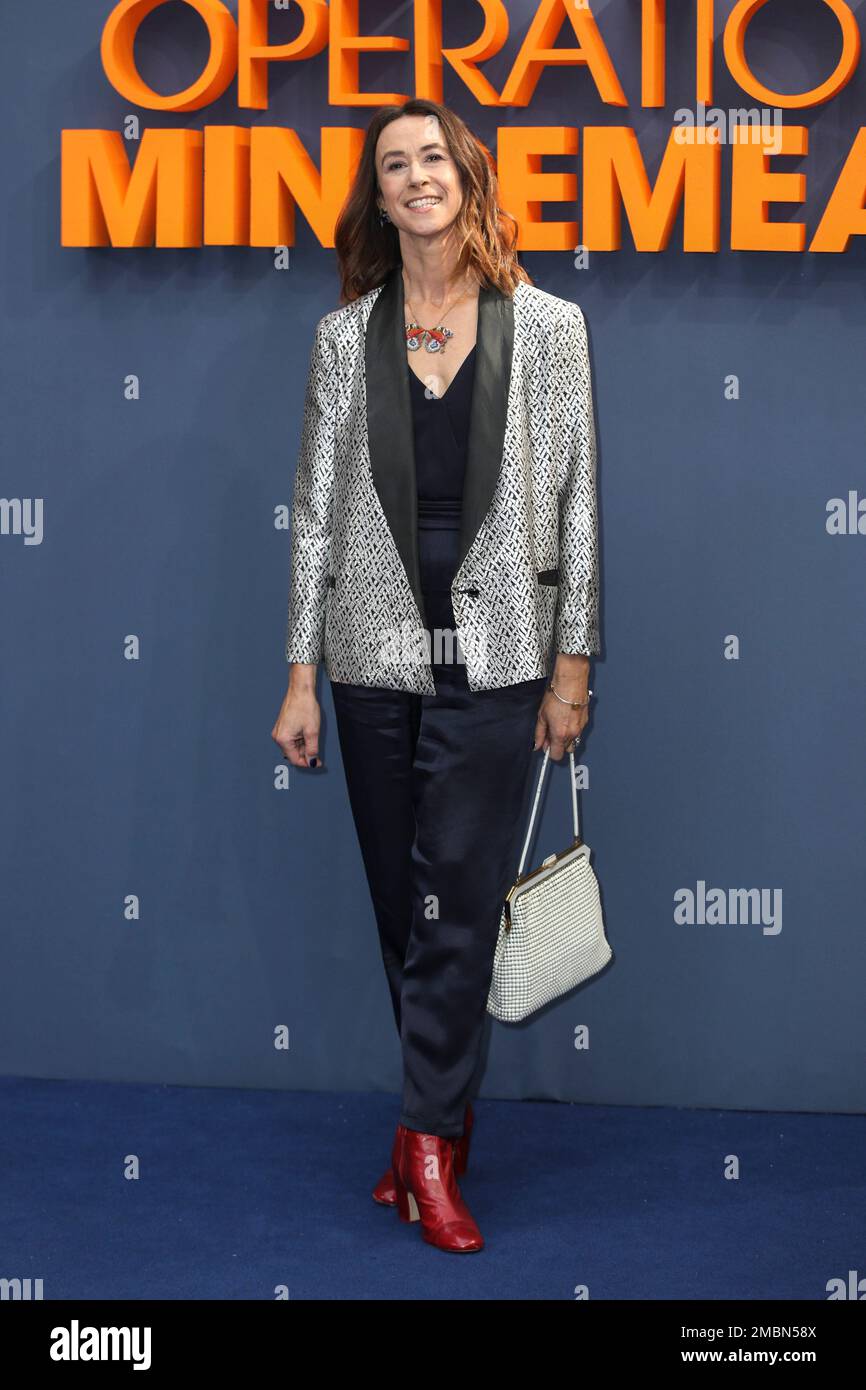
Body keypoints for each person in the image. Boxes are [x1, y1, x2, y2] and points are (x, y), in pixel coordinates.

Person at [271, 98, 600, 1254]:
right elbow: (312, 518)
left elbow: (577, 506)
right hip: (369, 662)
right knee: (399, 912)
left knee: (455, 904)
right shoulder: (343, 337)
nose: (414, 177)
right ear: (378, 194)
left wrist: (573, 667)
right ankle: (438, 1126)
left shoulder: (548, 325)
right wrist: (300, 675)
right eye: (392, 165)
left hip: (502, 657)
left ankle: (421, 1148)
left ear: (466, 177)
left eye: (431, 158)